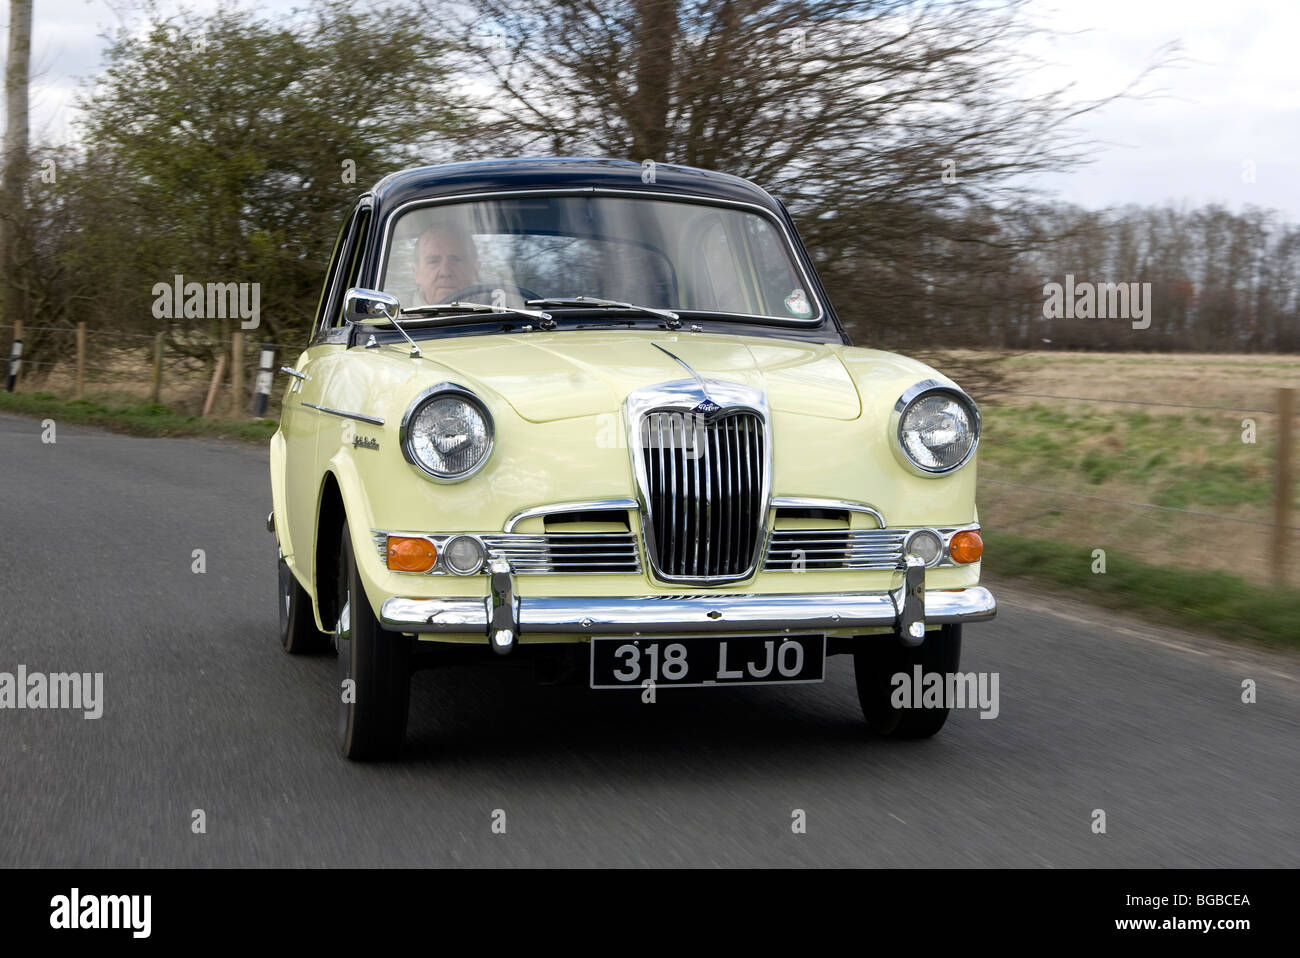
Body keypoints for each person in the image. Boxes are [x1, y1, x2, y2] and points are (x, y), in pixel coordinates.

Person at [410, 221, 479, 304]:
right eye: (433, 262)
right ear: (417, 274)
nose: (445, 272)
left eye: (456, 260)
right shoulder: (396, 314)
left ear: (475, 270)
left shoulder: (495, 311)